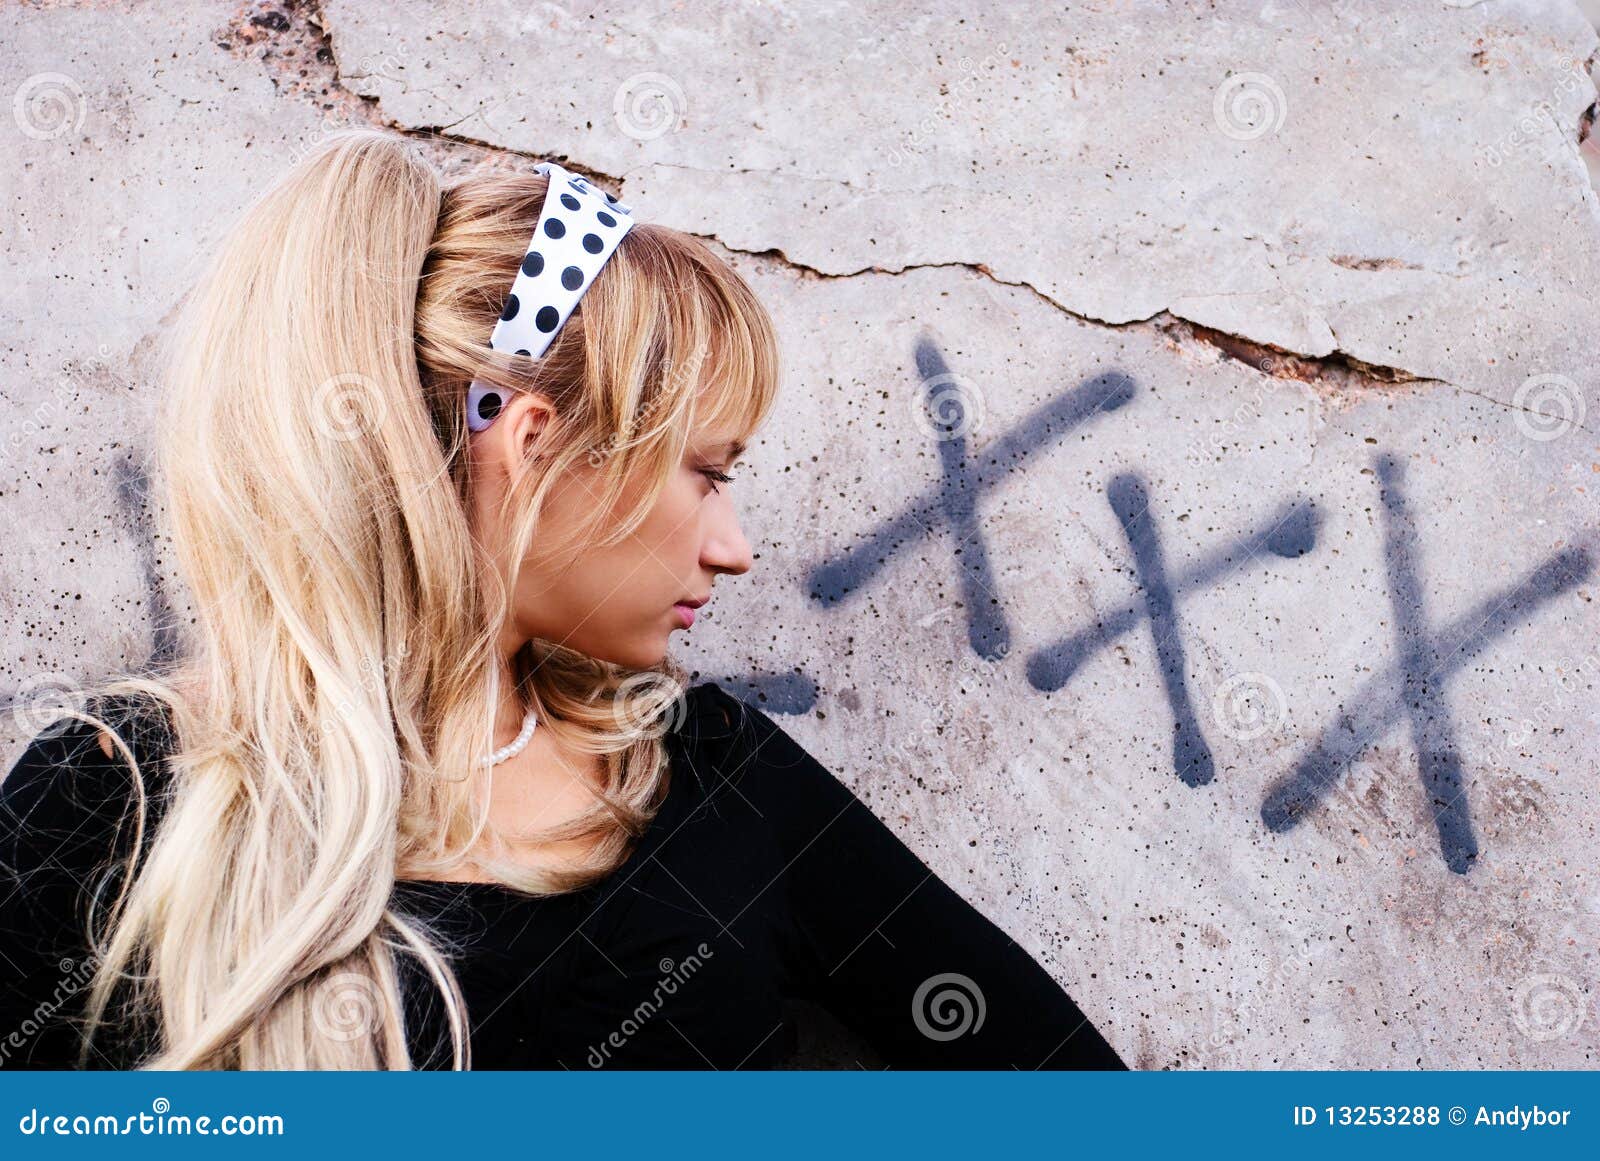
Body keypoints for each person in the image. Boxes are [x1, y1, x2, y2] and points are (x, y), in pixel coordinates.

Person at [0, 130, 1126, 1071]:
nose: (734, 550)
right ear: (533, 447)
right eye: (708, 472)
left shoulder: (707, 770)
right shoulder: (115, 799)